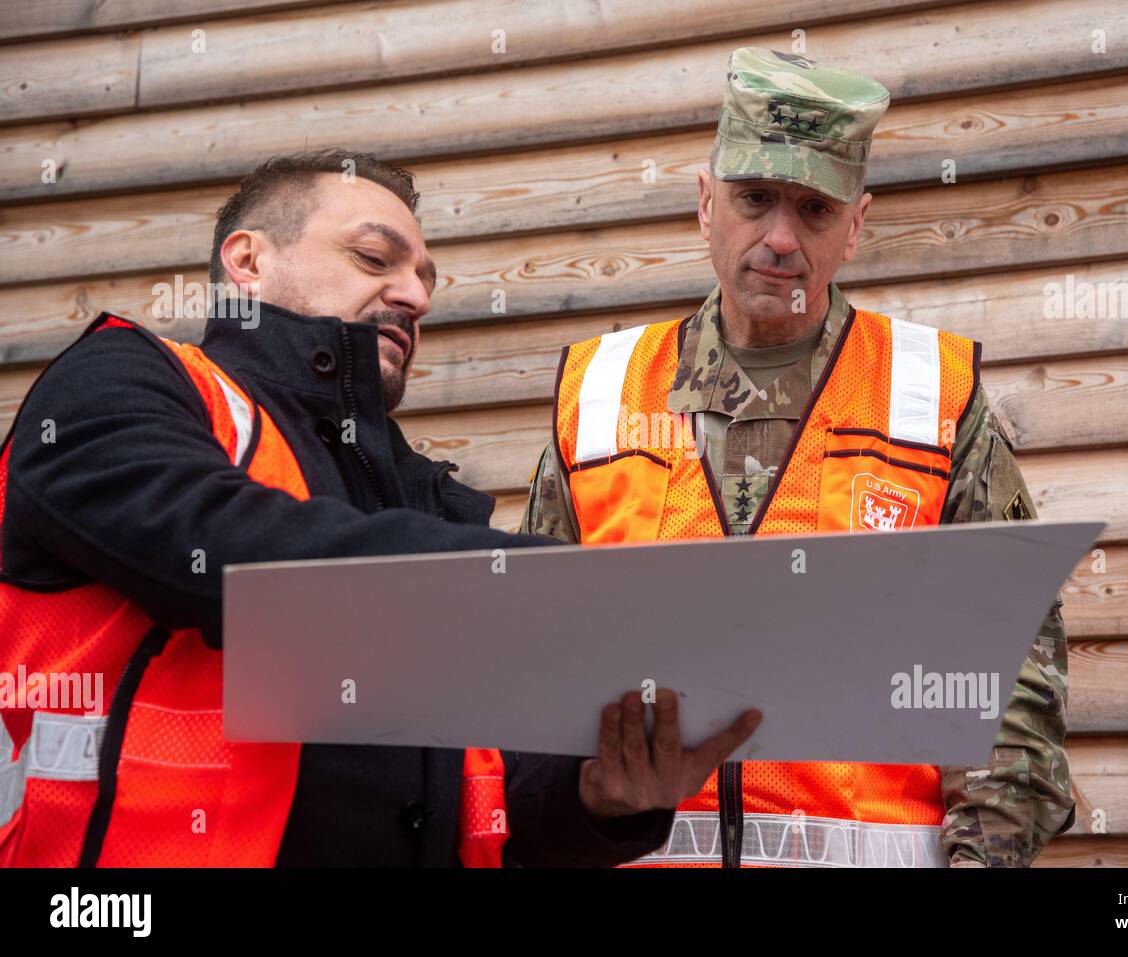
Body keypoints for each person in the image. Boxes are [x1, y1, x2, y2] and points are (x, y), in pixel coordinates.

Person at [0, 149, 759, 868]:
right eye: (374, 257)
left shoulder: (423, 498)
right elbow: (230, 552)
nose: (417, 296)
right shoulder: (119, 385)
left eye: (426, 278)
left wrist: (600, 797)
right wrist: (544, 582)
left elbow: (490, 804)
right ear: (248, 261)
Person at [521, 48, 1075, 868]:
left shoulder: (931, 396)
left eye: (814, 209)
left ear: (855, 226)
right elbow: (531, 663)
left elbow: (1010, 668)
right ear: (706, 205)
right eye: (755, 199)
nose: (780, 237)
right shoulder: (600, 393)